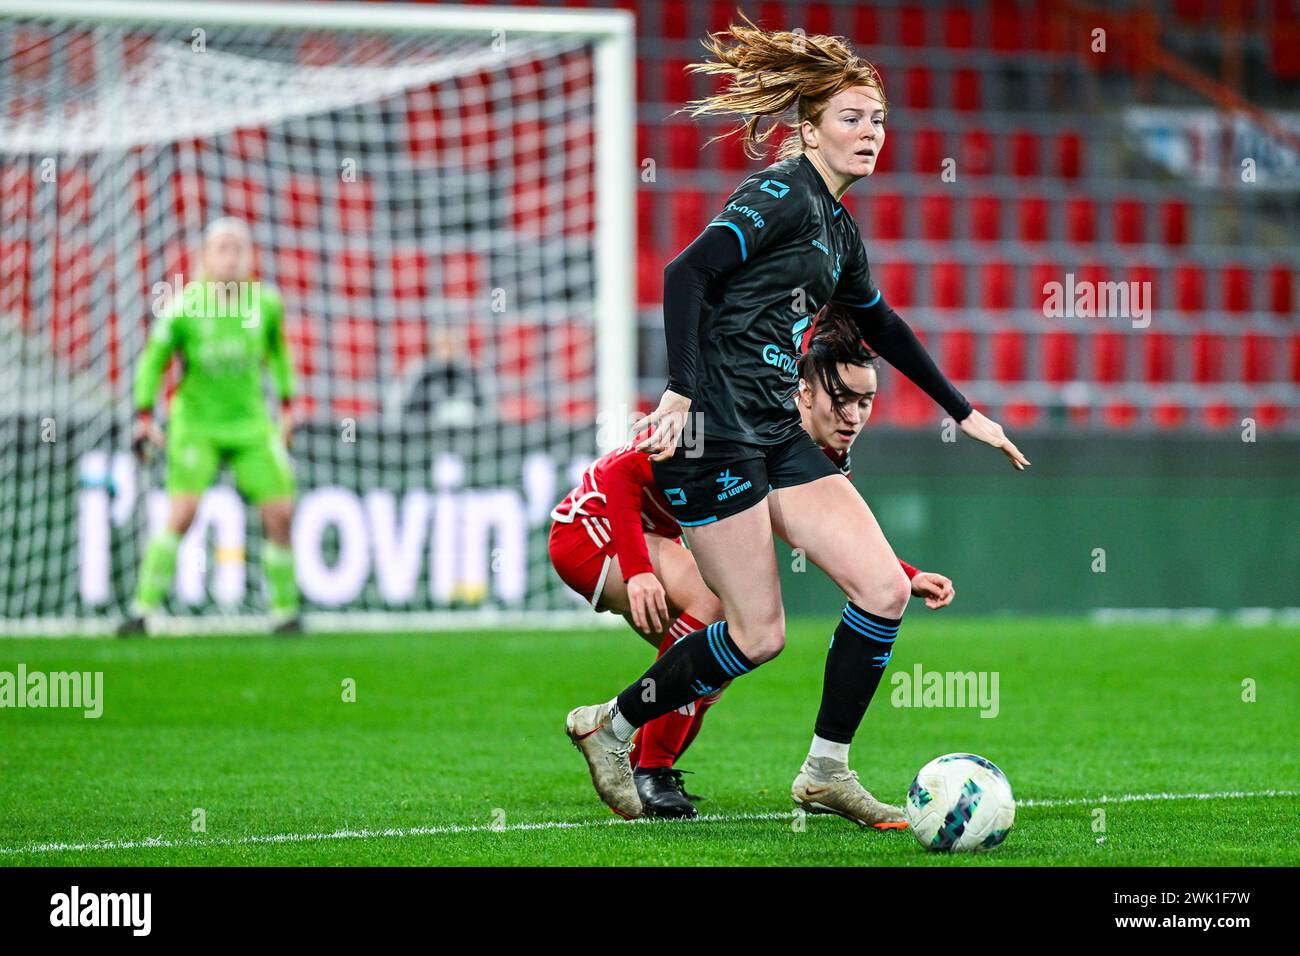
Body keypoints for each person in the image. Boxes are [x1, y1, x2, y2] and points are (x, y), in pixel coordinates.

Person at [565, 16, 1028, 822]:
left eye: (879, 119)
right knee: (756, 634)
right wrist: (679, 392)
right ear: (808, 127)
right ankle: (613, 724)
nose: (870, 133)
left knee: (883, 588)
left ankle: (825, 771)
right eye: (851, 117)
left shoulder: (840, 229)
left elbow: (880, 324)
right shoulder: (780, 191)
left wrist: (968, 412)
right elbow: (688, 271)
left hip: (774, 431)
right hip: (717, 429)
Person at [553, 307, 955, 818]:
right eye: (842, 400)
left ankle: (637, 753)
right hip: (595, 530)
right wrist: (637, 572)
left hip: (659, 535)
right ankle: (648, 767)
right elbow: (619, 473)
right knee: (716, 604)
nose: (853, 415)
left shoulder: (820, 453)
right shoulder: (737, 422)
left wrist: (907, 575)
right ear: (805, 393)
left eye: (866, 401)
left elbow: (835, 539)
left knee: (721, 658)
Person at [119, 218, 301, 635]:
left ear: (250, 258)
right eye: (223, 248)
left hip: (250, 423)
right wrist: (144, 415)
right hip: (196, 423)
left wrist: (288, 406)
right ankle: (142, 610)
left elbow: (279, 352)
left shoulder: (266, 304)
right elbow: (152, 360)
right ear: (205, 257)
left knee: (280, 512)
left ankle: (285, 613)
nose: (232, 257)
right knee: (182, 512)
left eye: (239, 248)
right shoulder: (183, 307)